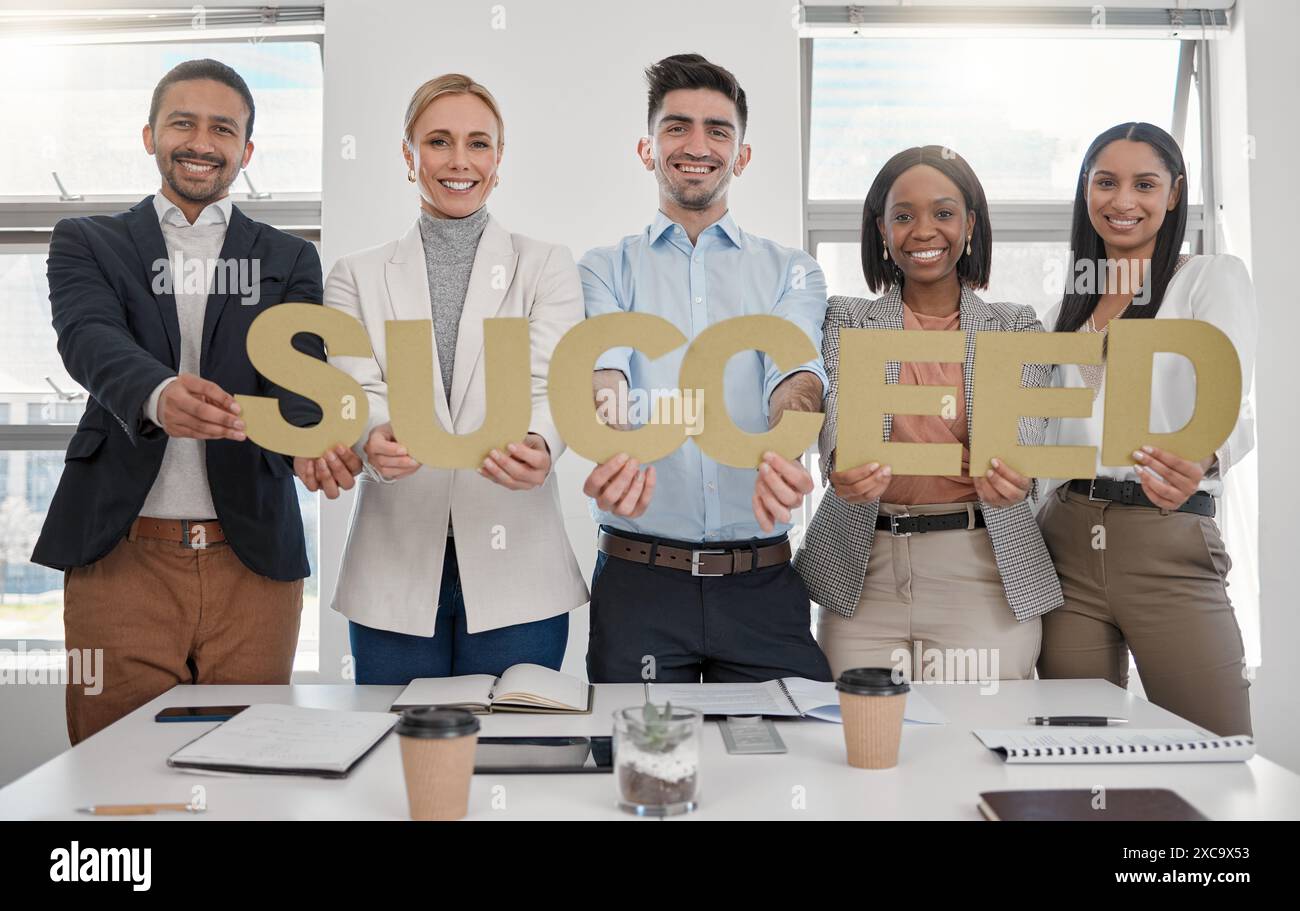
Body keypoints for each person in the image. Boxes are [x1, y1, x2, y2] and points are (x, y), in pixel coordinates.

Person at [33, 59, 354, 744]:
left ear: (246, 149)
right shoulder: (89, 242)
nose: (201, 142)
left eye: (222, 129)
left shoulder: (290, 258)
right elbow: (88, 338)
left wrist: (313, 442)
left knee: (245, 770)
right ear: (150, 135)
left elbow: (298, 381)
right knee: (113, 772)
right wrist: (155, 393)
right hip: (121, 558)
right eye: (183, 123)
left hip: (253, 564)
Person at [325, 74, 587, 685]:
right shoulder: (354, 275)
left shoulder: (545, 264)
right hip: (394, 562)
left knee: (511, 752)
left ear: (499, 158)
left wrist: (542, 444)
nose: (459, 161)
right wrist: (372, 434)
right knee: (398, 757)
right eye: (439, 141)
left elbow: (554, 383)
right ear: (408, 154)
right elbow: (355, 389)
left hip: (519, 561)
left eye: (479, 143)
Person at [580, 53, 832, 684]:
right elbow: (604, 370)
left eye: (718, 130)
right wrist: (615, 443)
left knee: (785, 770)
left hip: (761, 582)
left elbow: (796, 375)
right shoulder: (603, 268)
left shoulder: (791, 270)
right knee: (636, 770)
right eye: (676, 127)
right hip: (639, 585)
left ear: (742, 155)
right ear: (647, 148)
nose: (697, 145)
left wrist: (784, 450)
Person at [795, 146, 1063, 681]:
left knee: (976, 746)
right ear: (881, 229)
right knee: (865, 744)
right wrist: (840, 463)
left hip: (981, 569)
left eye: (943, 213)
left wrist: (1019, 476)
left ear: (970, 225)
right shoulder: (845, 319)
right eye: (903, 215)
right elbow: (840, 425)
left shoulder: (1015, 326)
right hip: (863, 570)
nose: (923, 231)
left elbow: (1024, 439)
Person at [1036, 122, 1257, 737]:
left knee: (1214, 744)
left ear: (1174, 192)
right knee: (1078, 746)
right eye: (1106, 182)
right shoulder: (1063, 313)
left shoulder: (1208, 279)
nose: (1123, 201)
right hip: (1067, 539)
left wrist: (1206, 457)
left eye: (1144, 184)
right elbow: (1047, 436)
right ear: (1086, 192)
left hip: (1169, 533)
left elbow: (1237, 404)